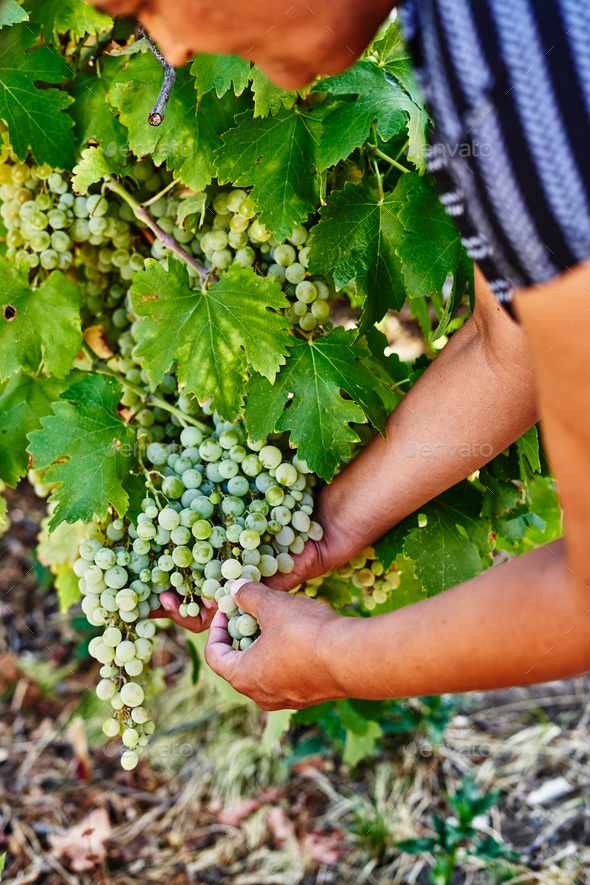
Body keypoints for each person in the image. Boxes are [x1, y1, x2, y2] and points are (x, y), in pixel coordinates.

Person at [94, 0, 590, 708]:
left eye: (148, 4)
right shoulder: (477, 33)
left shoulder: (519, 66)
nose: (170, 49)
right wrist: (333, 526)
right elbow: (514, 347)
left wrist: (335, 660)